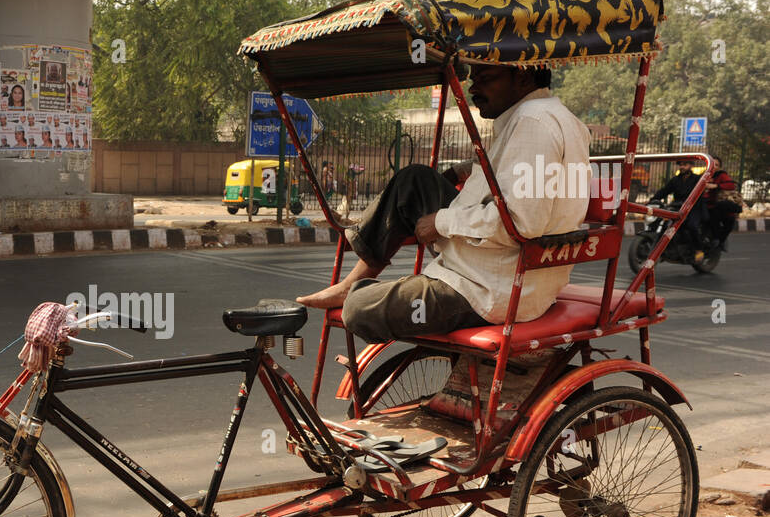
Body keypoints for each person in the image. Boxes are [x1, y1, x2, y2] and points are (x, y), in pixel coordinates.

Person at [297, 64, 590, 342]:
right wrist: (458, 172)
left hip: (488, 288)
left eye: (485, 78)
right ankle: (355, 277)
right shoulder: (551, 117)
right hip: (497, 262)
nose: (474, 87)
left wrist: (439, 222)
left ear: (523, 77)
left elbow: (522, 223)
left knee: (359, 307)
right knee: (415, 180)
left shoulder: (533, 123)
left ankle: (360, 286)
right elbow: (510, 168)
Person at [650, 158, 703, 247]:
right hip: (677, 206)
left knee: (692, 226)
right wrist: (652, 200)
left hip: (693, 208)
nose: (682, 167)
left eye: (685, 165)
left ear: (691, 166)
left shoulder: (697, 179)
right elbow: (664, 191)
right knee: (663, 221)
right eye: (681, 165)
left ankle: (698, 249)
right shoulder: (675, 180)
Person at [700, 154, 743, 251]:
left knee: (729, 219)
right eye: (711, 164)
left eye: (716, 165)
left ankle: (719, 240)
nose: (713, 167)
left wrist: (715, 186)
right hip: (702, 204)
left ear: (719, 167)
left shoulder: (721, 175)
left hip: (715, 205)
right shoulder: (701, 176)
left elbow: (731, 185)